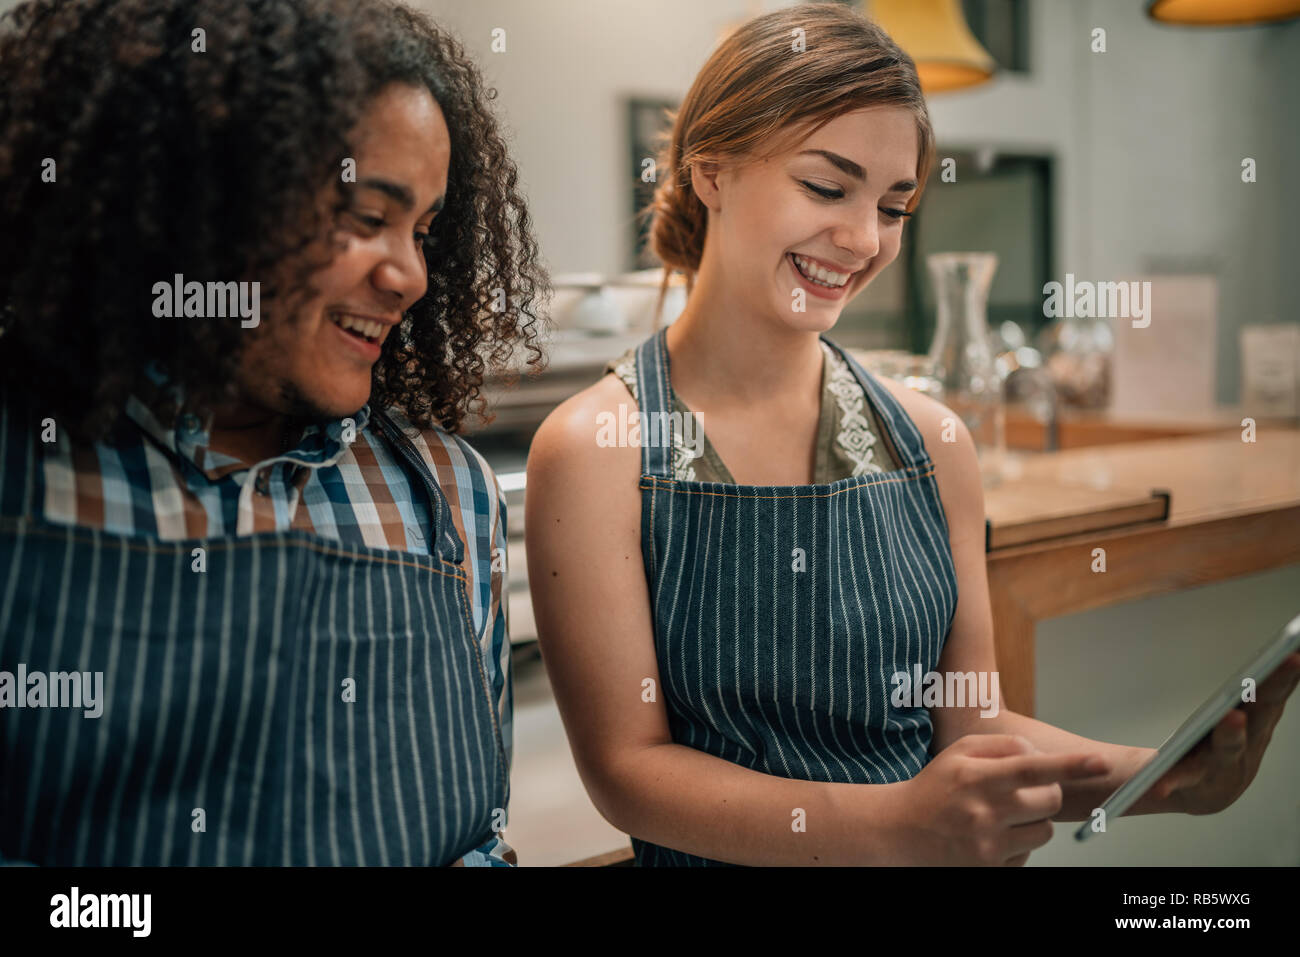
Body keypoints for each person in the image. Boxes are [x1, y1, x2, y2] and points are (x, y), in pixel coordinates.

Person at [524, 3, 1300, 866]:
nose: (862, 239)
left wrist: (1158, 775)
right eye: (826, 186)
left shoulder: (933, 441)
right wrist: (895, 827)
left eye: (894, 206)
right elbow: (628, 770)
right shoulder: (596, 449)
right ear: (711, 170)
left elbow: (973, 727)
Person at [0, 0, 546, 866]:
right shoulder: (26, 473)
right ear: (191, 196)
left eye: (424, 231)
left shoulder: (445, 494)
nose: (408, 275)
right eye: (367, 216)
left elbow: (477, 837)